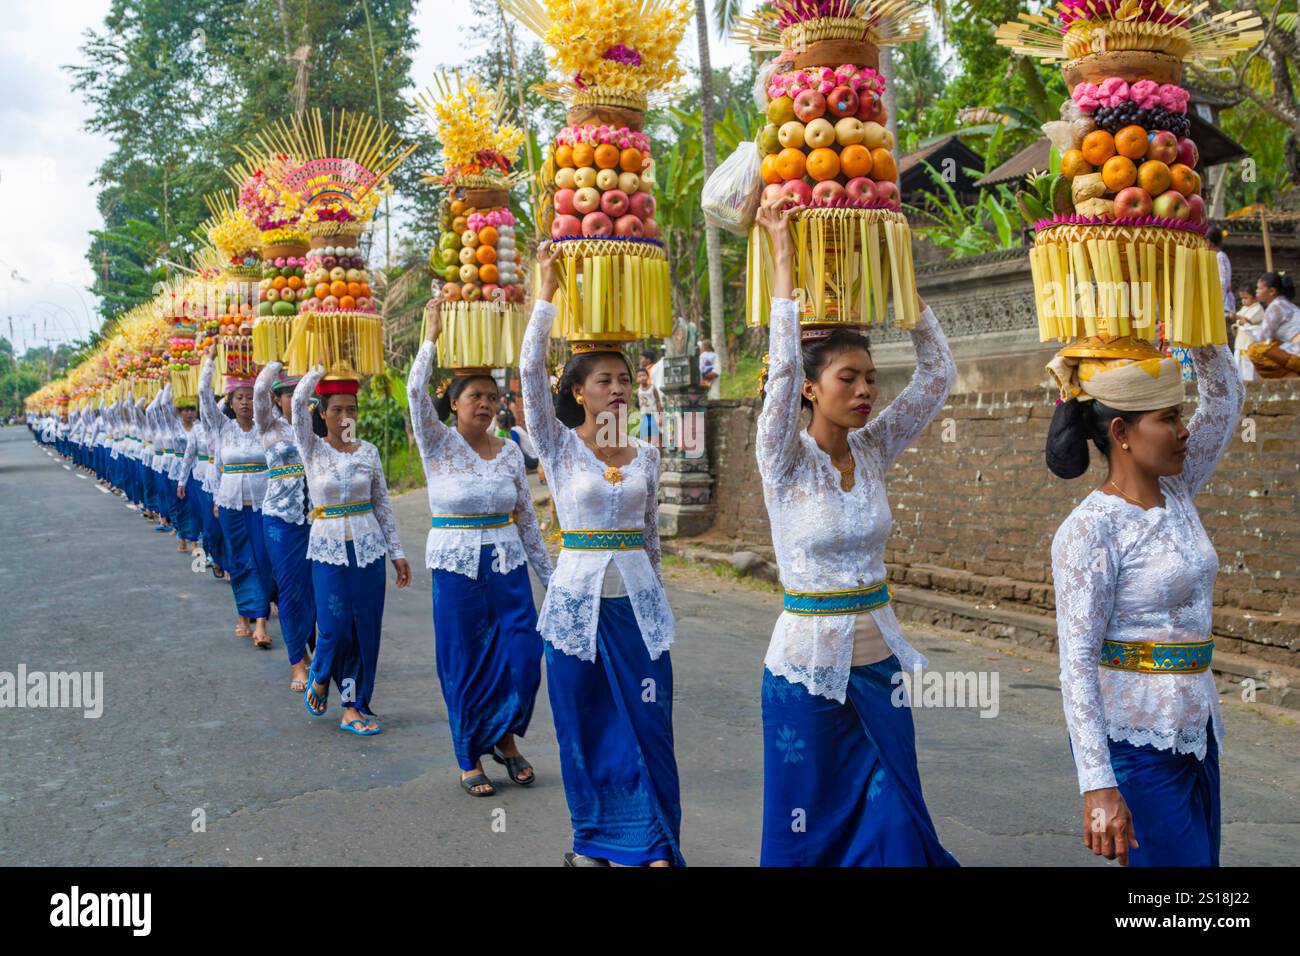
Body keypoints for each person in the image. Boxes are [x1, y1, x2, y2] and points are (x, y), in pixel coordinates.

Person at [752, 193, 959, 867]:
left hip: (879, 672)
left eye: (871, 377)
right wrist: (784, 262)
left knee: (895, 822)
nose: (867, 389)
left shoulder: (873, 447)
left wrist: (905, 286)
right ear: (812, 389)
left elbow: (937, 375)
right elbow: (781, 373)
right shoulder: (783, 461)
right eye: (849, 377)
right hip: (805, 675)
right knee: (806, 833)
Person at [1045, 326, 1245, 866]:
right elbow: (1077, 664)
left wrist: (1188, 307)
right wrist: (1098, 785)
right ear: (1121, 431)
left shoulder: (1177, 489)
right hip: (1133, 745)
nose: (1184, 431)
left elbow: (1226, 394)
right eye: (1169, 419)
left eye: (1181, 416)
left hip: (1197, 733)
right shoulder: (1089, 531)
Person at [522, 240, 683, 868]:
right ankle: (593, 843)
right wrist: (545, 296)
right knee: (586, 731)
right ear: (580, 393)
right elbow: (531, 376)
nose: (618, 389)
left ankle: (652, 844)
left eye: (624, 379)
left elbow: (650, 540)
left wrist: (657, 605)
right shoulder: (559, 448)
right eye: (604, 381)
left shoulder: (647, 454)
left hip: (635, 614)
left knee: (648, 733)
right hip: (574, 613)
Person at [409, 302, 553, 796]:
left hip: (507, 563)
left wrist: (552, 580)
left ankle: (504, 738)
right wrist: (431, 336)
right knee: (464, 658)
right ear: (454, 403)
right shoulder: (438, 445)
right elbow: (413, 392)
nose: (486, 404)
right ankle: (470, 755)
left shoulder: (511, 450)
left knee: (522, 653)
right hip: (456, 567)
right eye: (475, 395)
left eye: (493, 396)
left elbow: (528, 520)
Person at [294, 365, 411, 736]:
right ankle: (322, 672)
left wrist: (396, 552)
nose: (345, 417)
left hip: (368, 550)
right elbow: (297, 402)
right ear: (322, 414)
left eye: (352, 410)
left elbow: (383, 504)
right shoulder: (312, 449)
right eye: (336, 410)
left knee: (364, 630)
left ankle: (351, 705)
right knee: (333, 628)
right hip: (328, 548)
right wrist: (320, 366)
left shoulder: (369, 452)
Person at [199, 351, 275, 647]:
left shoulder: (267, 426)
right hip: (230, 505)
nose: (245, 402)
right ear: (230, 402)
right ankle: (243, 613)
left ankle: (260, 622)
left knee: (262, 559)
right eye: (239, 397)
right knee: (239, 560)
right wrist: (210, 360)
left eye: (249, 397)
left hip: (262, 504)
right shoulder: (222, 427)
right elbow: (204, 395)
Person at [255, 361, 317, 692]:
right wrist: (278, 354)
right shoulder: (268, 425)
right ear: (279, 398)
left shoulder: (315, 426)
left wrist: (323, 363)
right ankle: (297, 663)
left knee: (315, 590)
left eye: (301, 394)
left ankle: (313, 652)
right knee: (291, 590)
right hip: (280, 518)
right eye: (289, 393)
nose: (296, 399)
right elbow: (259, 389)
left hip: (315, 518)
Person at [1242, 272, 1300, 379]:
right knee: (1272, 344)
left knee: (1255, 349)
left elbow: (1262, 337)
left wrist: (1246, 326)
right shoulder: (1285, 303)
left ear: (1272, 291)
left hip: (1297, 353)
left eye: (1259, 288)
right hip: (1294, 349)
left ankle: (1292, 377)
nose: (1256, 291)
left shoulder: (1276, 306)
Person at [1231, 286, 1265, 382]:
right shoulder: (1244, 308)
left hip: (1250, 346)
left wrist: (1236, 317)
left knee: (1250, 374)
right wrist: (1236, 324)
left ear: (1255, 297)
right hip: (1240, 345)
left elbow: (1246, 321)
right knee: (1239, 373)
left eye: (1246, 298)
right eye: (1242, 298)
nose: (1243, 301)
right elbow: (1240, 321)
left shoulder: (1258, 309)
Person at [636, 366, 659, 445]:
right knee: (645, 437)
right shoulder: (638, 391)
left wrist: (660, 416)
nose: (642, 377)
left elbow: (658, 401)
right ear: (637, 379)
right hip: (643, 416)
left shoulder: (652, 388)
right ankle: (647, 455)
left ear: (647, 376)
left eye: (644, 375)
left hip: (653, 415)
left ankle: (658, 454)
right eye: (639, 376)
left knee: (655, 437)